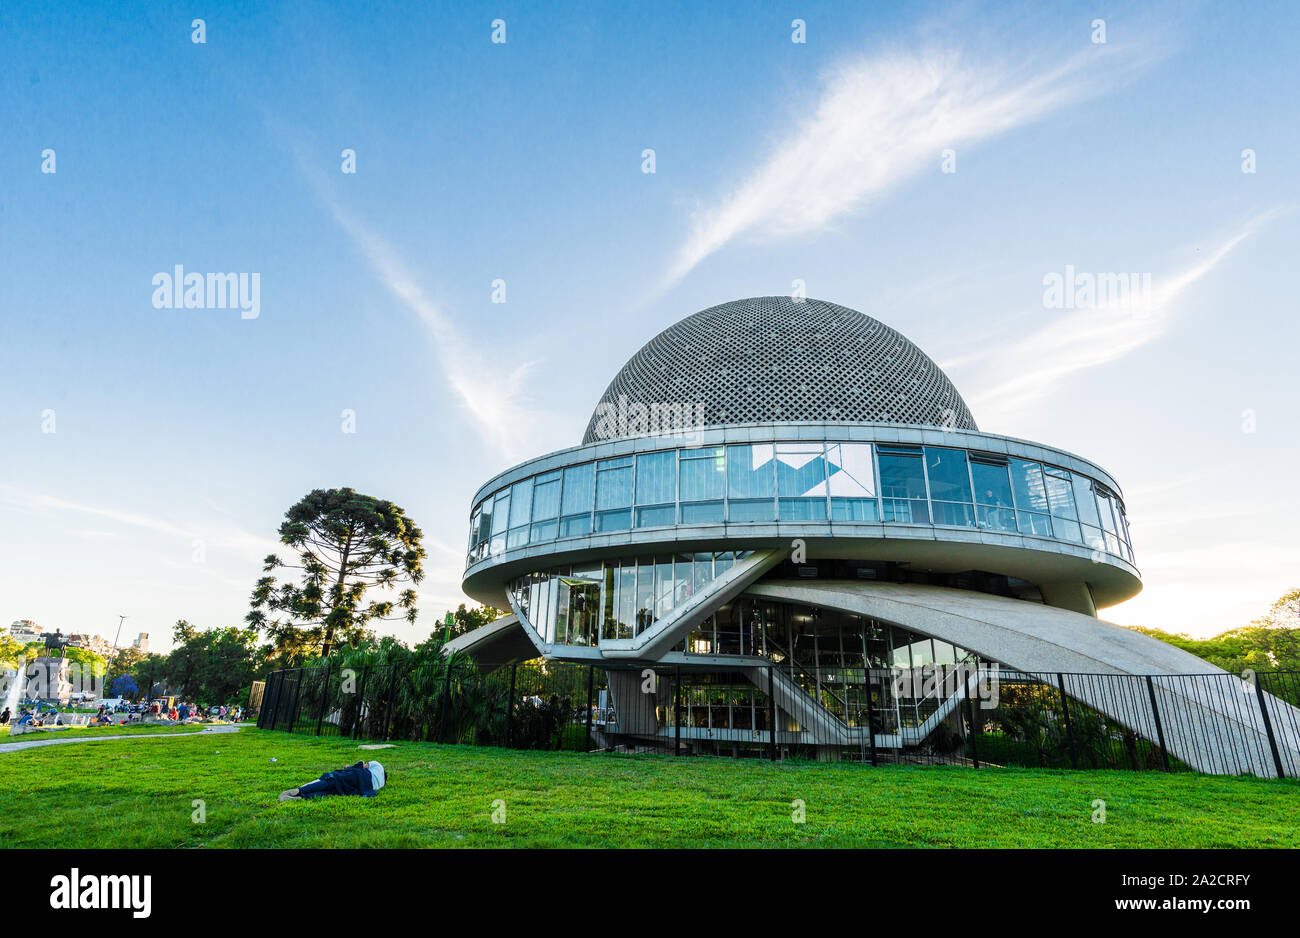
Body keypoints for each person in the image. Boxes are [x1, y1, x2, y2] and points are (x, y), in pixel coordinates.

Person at [279, 761, 386, 801]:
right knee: (330, 792)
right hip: (362, 788)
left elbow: (363, 766)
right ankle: (301, 797)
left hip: (359, 777)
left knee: (331, 781)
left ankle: (298, 790)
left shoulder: (377, 765)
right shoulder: (381, 784)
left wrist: (350, 767)